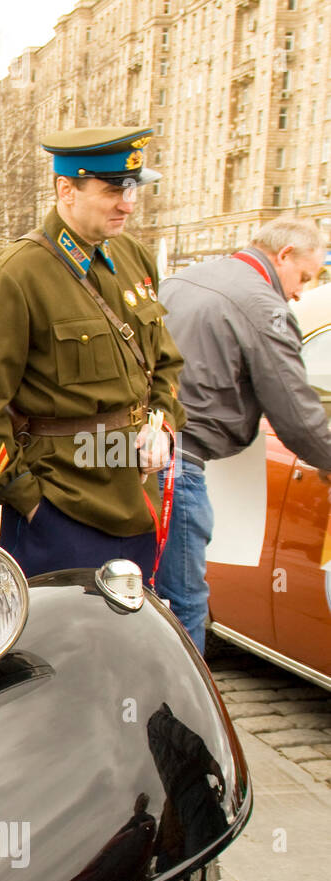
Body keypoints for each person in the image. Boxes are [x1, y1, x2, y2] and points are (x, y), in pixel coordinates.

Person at [0, 126, 184, 579]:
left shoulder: (133, 257)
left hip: (138, 502)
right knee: (54, 648)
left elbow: (165, 363)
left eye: (133, 189)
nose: (128, 203)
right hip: (62, 510)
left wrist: (163, 427)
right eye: (113, 189)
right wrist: (27, 499)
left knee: (129, 643)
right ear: (66, 189)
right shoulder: (18, 275)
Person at [156, 217, 331, 652]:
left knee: (139, 592)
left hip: (138, 453)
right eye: (303, 278)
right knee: (186, 602)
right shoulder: (263, 305)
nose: (299, 292)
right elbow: (298, 415)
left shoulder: (184, 279)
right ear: (283, 255)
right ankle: (184, 715)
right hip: (182, 465)